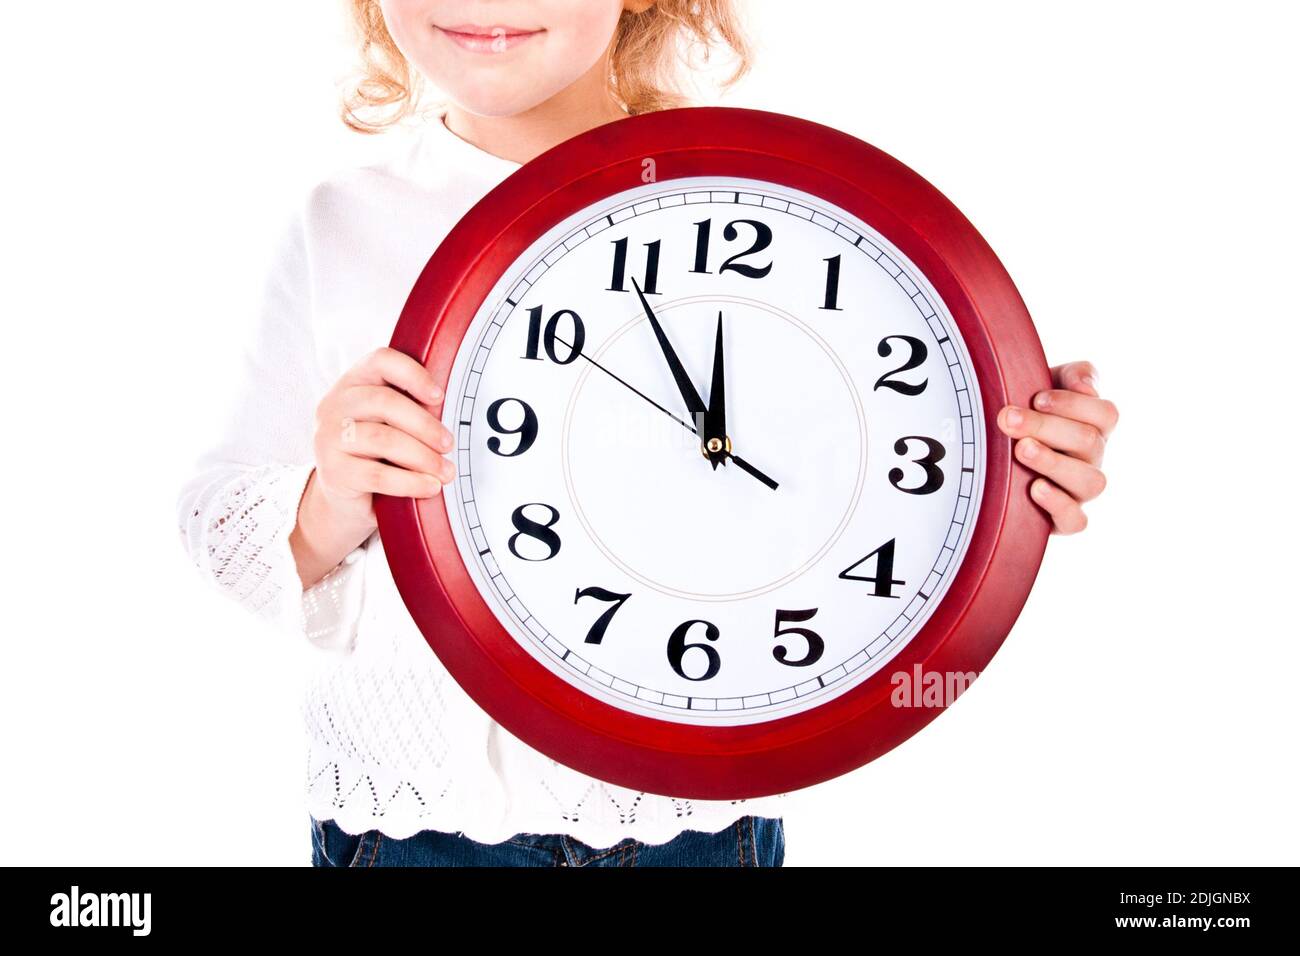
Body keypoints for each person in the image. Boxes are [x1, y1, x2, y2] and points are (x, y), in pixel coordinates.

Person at [175, 0, 1117, 868]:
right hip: (413, 826)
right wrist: (332, 494)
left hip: (694, 833)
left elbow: (880, 446)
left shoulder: (774, 201)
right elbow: (228, 538)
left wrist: (1012, 458)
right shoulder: (339, 221)